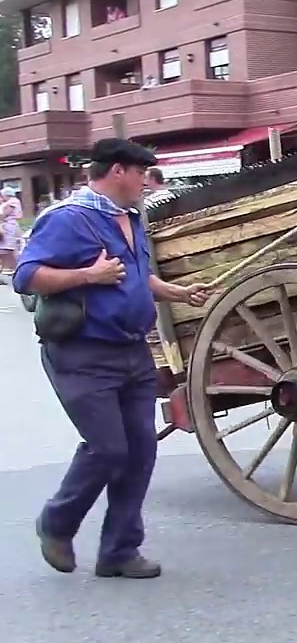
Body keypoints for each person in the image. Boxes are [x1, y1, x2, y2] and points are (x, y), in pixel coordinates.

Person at [14, 138, 213, 579]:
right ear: (118, 171)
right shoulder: (68, 219)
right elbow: (26, 277)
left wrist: (174, 292)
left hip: (131, 350)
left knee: (140, 451)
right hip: (82, 352)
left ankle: (119, 551)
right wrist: (89, 275)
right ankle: (56, 522)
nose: (147, 181)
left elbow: (136, 274)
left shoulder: (130, 217)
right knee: (107, 448)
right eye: (141, 172)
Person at [0, 186, 22, 283]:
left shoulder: (12, 202)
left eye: (2, 195)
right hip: (8, 225)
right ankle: (9, 267)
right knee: (7, 246)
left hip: (9, 225)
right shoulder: (9, 202)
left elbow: (4, 214)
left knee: (10, 246)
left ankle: (15, 266)